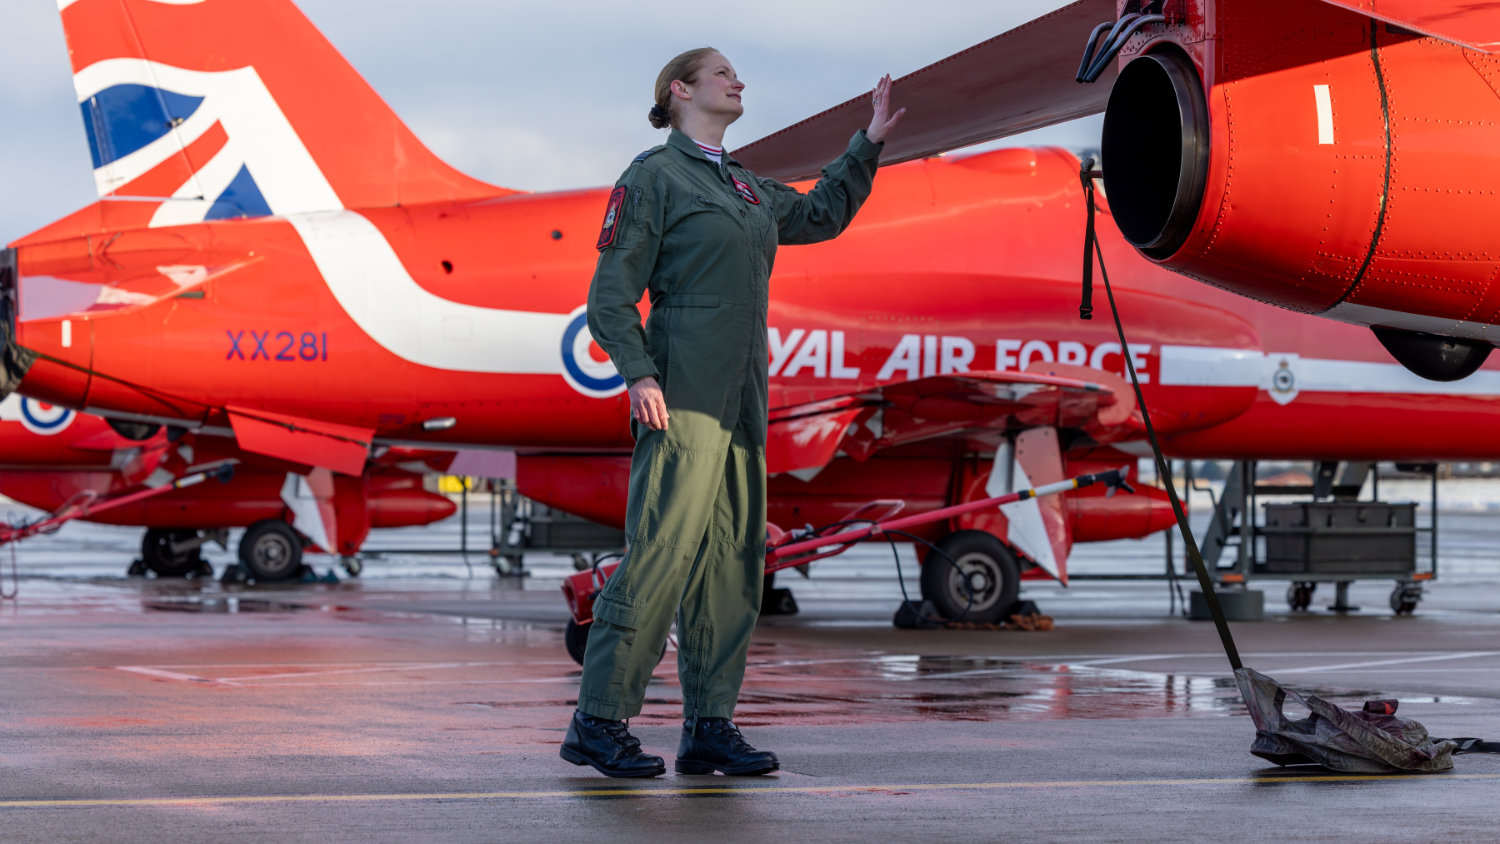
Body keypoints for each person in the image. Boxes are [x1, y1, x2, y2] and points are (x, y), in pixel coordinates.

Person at [560, 47, 904, 778]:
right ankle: (598, 719)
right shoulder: (654, 177)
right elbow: (610, 295)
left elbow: (820, 215)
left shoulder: (744, 186)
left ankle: (709, 725)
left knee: (733, 556)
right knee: (663, 547)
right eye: (721, 72)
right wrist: (639, 374)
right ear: (680, 91)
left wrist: (868, 143)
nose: (737, 80)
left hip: (744, 387)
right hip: (682, 383)